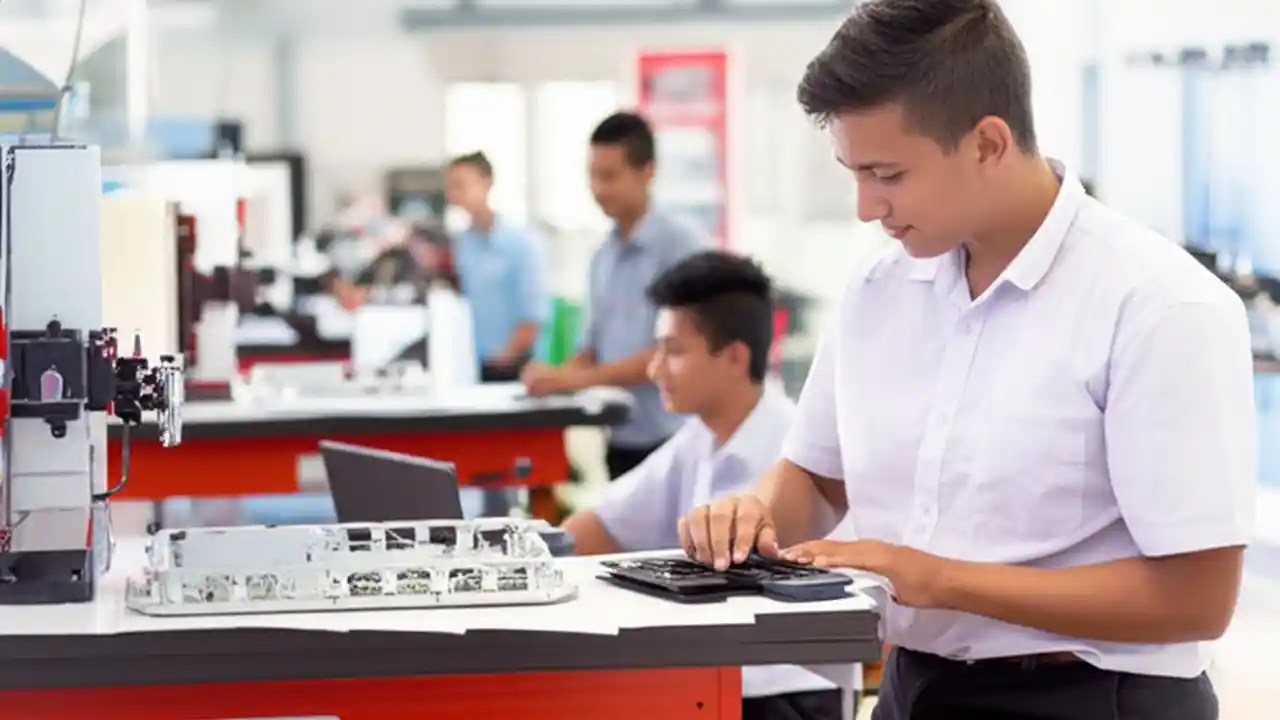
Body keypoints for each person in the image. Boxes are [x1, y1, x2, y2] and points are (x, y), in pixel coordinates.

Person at [678, 2, 1255, 719]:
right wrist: (755, 514)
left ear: (987, 143)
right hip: (915, 685)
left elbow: (1195, 600)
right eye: (851, 173)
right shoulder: (879, 288)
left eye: (886, 173)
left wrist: (941, 579)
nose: (865, 207)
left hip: (1093, 697)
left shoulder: (1159, 306)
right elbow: (818, 480)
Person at [562, 250, 851, 720]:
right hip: (712, 678)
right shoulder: (700, 436)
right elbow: (604, 522)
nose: (654, 369)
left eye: (673, 351)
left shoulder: (796, 452)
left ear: (735, 357)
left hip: (780, 692)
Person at [522, 111, 704, 478]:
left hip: (672, 438)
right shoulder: (601, 255)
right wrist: (553, 377)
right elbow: (591, 349)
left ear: (647, 171)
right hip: (619, 436)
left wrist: (577, 381)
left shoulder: (681, 247)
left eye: (609, 176)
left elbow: (675, 350)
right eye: (592, 175)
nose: (598, 188)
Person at [446, 151, 549, 381]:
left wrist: (504, 359)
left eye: (461, 185)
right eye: (451, 187)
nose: (454, 195)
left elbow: (532, 315)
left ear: (487, 183)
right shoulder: (463, 243)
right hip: (471, 365)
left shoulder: (521, 243)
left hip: (511, 366)